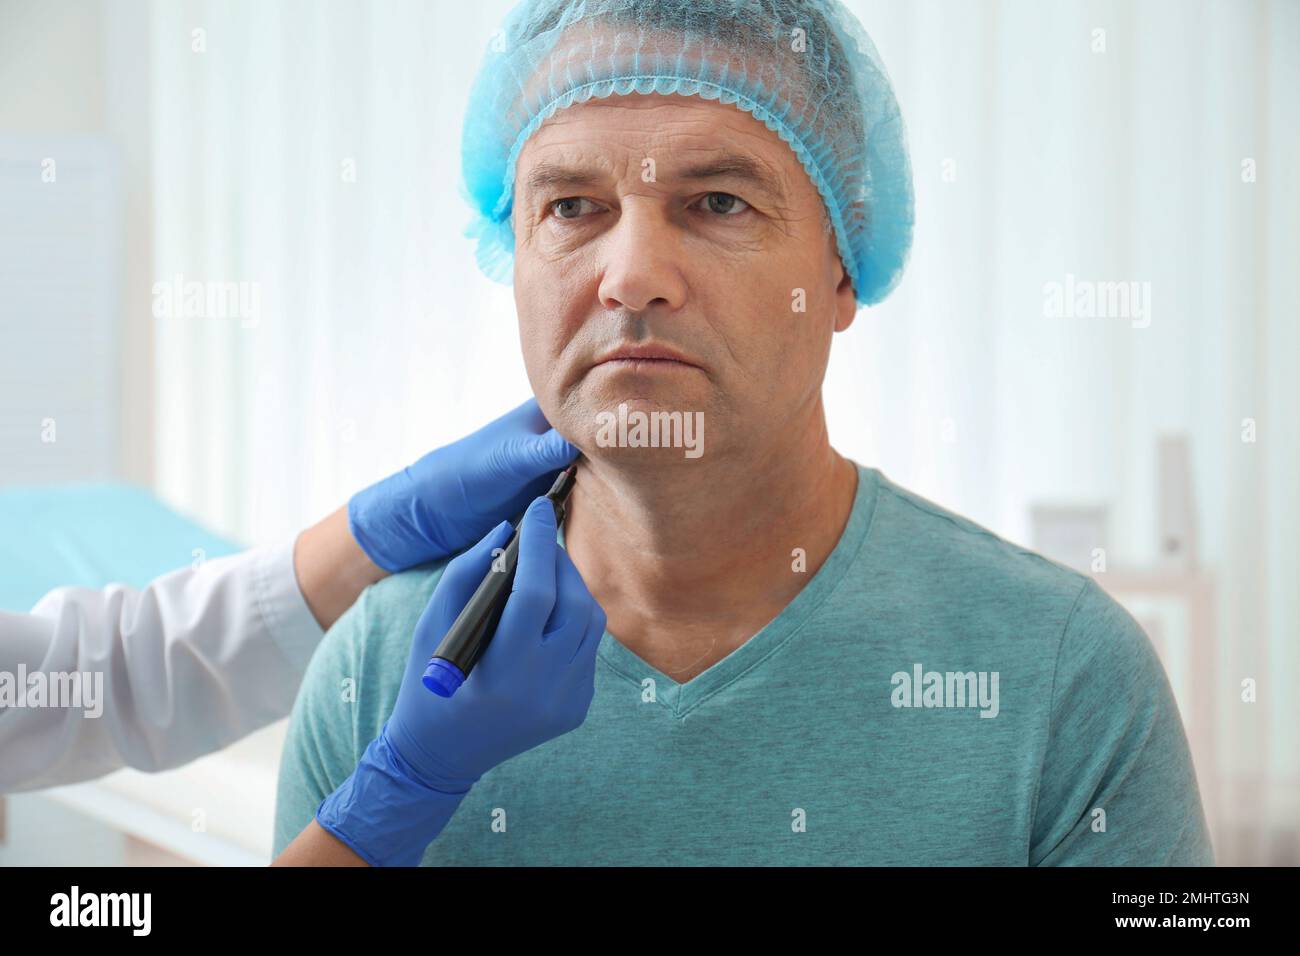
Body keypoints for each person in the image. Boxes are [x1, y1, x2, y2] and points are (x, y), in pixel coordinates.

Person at [273, 0, 1215, 866]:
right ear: (511, 253)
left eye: (718, 202)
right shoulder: (385, 677)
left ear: (842, 272)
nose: (632, 275)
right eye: (571, 207)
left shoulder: (1061, 678)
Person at [0, 398, 602, 865]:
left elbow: (108, 677)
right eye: (571, 225)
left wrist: (376, 528)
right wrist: (407, 785)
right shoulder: (371, 644)